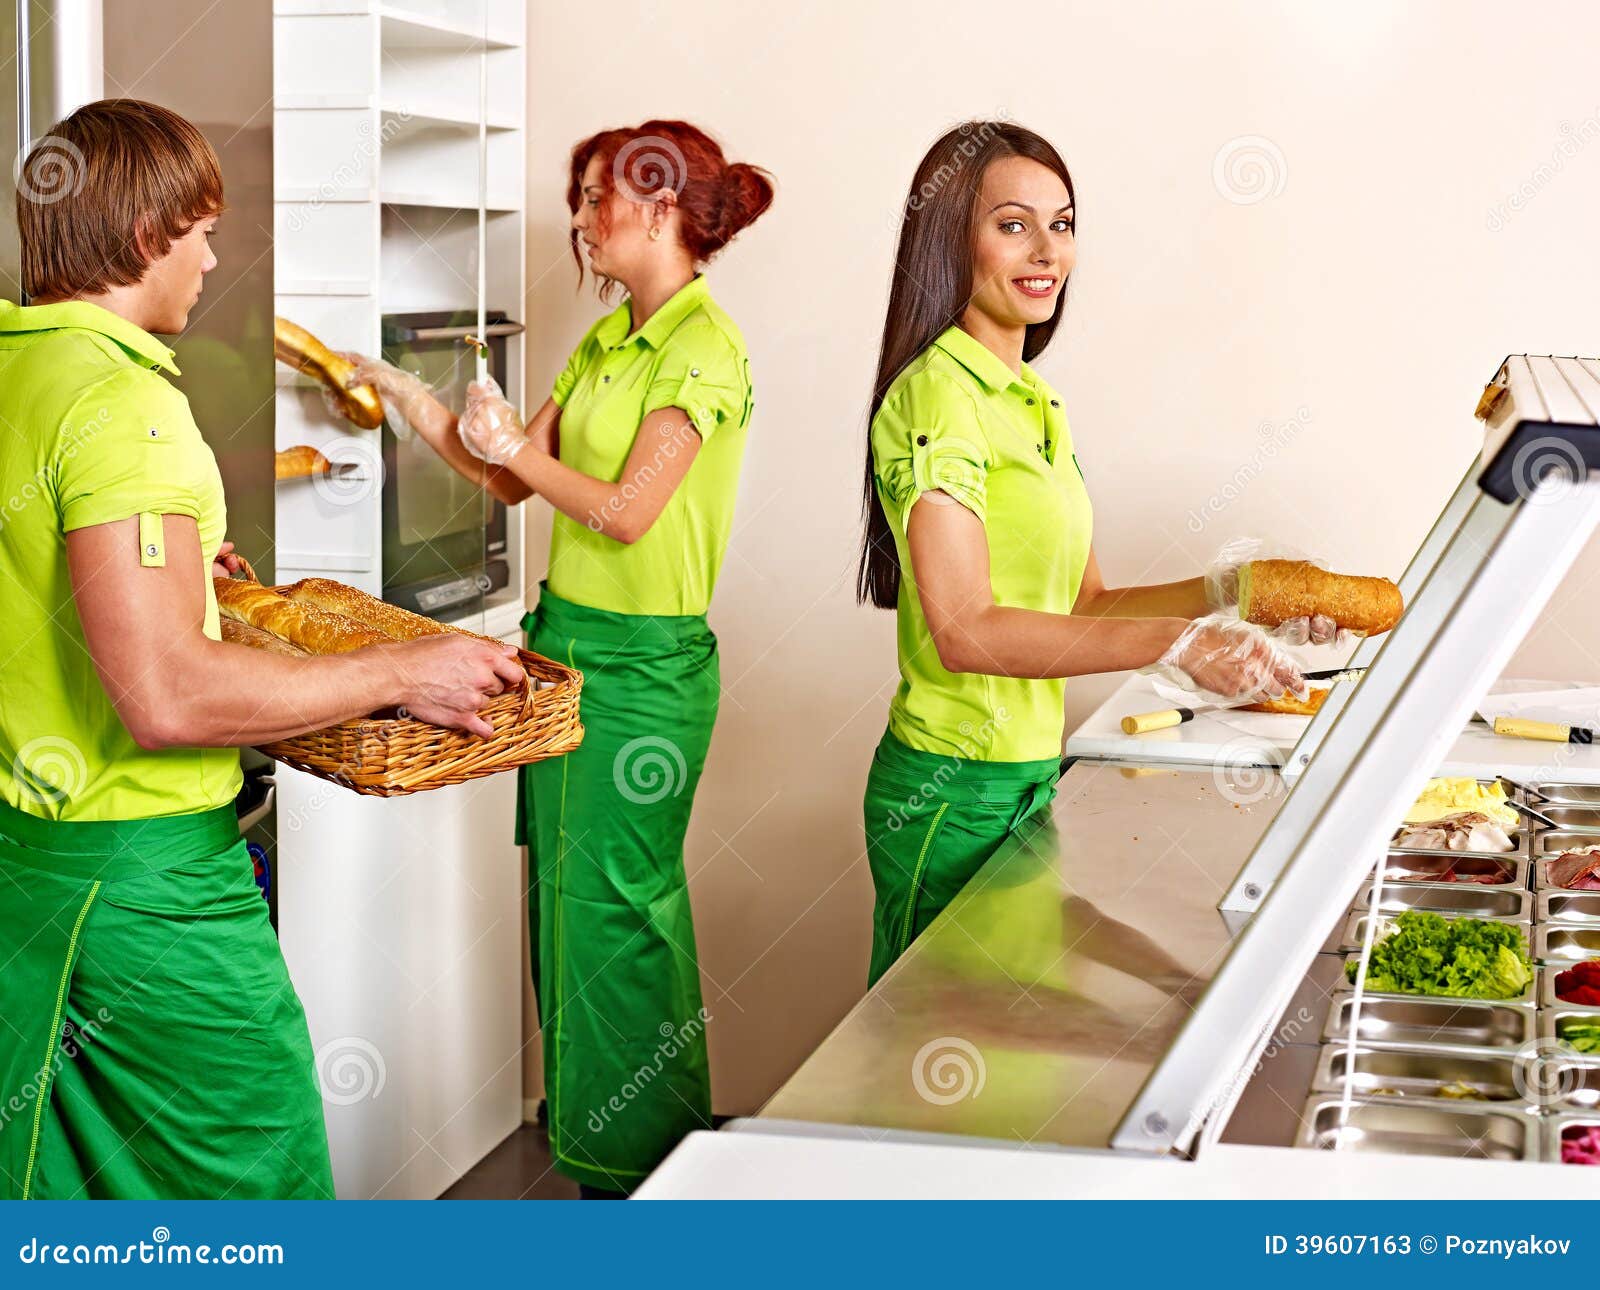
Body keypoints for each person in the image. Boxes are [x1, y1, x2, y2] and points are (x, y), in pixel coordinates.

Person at [0, 99, 524, 1199]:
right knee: (258, 1184)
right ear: (145, 235)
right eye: (199, 228)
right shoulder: (121, 404)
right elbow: (163, 696)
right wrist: (401, 669)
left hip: (32, 872)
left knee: (73, 1201)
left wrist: (178, 576)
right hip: (146, 890)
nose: (211, 255)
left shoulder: (19, 375)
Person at [345, 120, 773, 1196]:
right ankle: (607, 1168)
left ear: (660, 202)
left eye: (593, 199)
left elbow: (628, 512)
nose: (579, 220)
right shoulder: (607, 342)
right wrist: (408, 396)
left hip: (644, 671)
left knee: (621, 915)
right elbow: (506, 479)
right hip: (568, 653)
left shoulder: (701, 347)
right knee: (577, 914)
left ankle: (648, 1173)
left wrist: (520, 452)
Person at [856, 122, 1321, 986]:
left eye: (1062, 225)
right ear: (948, 235)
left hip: (1028, 775)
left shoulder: (1034, 398)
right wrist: (1177, 648)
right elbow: (966, 631)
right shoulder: (935, 397)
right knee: (938, 1053)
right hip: (951, 792)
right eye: (1012, 224)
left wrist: (1230, 592)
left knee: (1016, 1050)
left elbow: (1086, 605)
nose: (1046, 252)